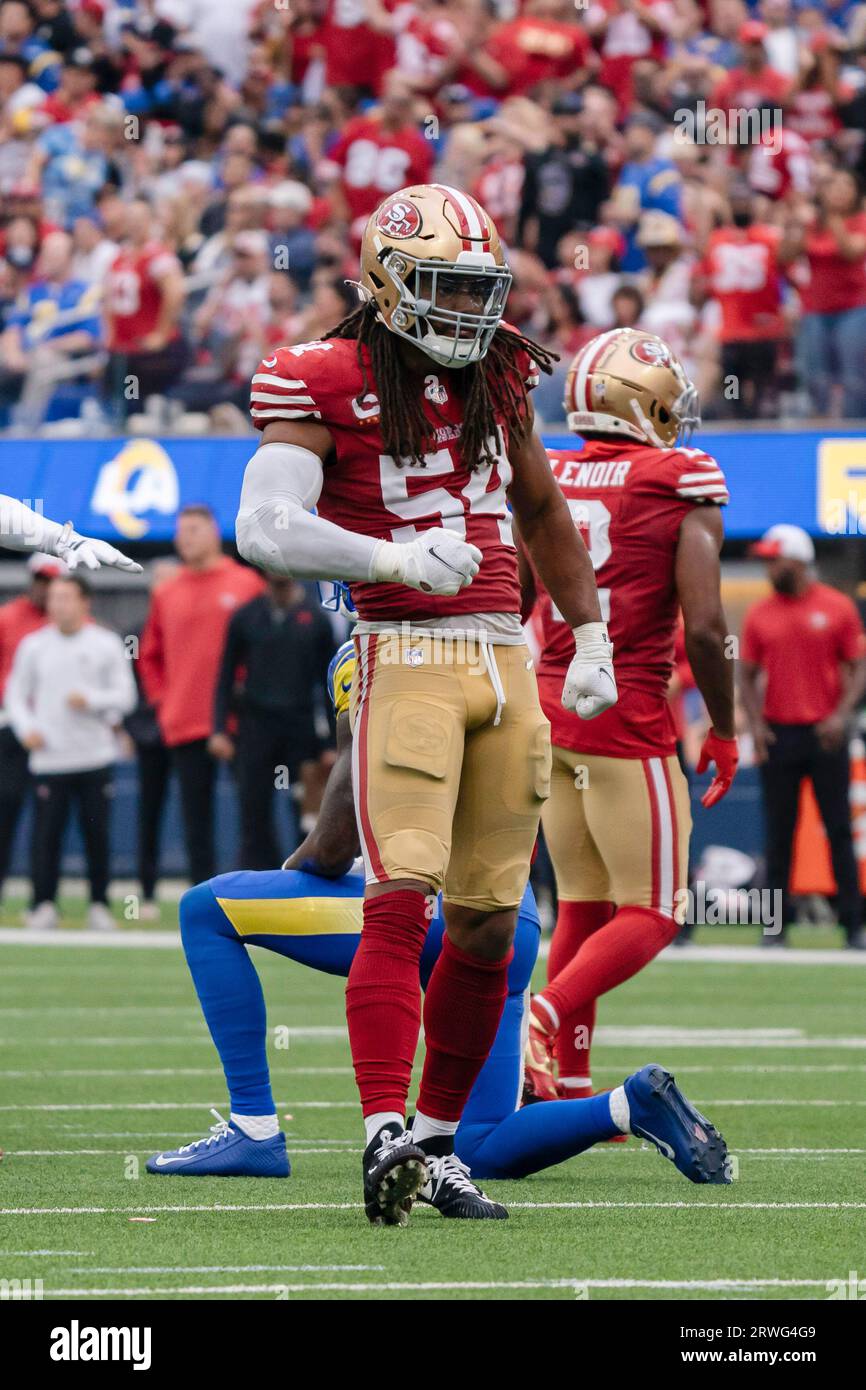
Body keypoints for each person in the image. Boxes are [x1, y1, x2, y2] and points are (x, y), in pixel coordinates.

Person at [236, 183, 617, 1225]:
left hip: (505, 658)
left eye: (476, 289)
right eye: (442, 288)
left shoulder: (496, 374)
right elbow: (263, 525)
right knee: (399, 896)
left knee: (490, 924)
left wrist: (588, 635)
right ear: (387, 282)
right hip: (404, 647)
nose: (463, 311)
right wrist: (390, 555)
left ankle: (439, 1143)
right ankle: (378, 1131)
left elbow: (538, 505)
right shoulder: (324, 375)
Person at [146, 639, 729, 1198]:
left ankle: (253, 1126)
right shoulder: (503, 670)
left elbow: (332, 847)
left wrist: (292, 866)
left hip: (427, 908)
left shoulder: (382, 662)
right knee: (476, 1143)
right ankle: (626, 1104)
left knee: (205, 910)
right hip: (509, 918)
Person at [519, 328, 738, 1102]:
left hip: (550, 709)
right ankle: (539, 1020)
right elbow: (708, 630)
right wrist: (726, 724)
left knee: (582, 899)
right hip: (627, 711)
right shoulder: (677, 477)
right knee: (655, 910)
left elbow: (519, 596)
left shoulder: (552, 473)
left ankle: (564, 1082)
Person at [740, 524, 866, 949]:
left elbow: (858, 666)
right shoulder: (760, 614)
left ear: (798, 560)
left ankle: (853, 924)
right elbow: (747, 673)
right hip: (780, 733)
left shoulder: (836, 607)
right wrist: (756, 727)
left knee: (837, 831)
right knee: (779, 834)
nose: (770, 567)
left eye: (776, 559)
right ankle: (776, 927)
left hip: (825, 734)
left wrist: (841, 715)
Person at [138, 505, 264, 885]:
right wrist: (164, 700)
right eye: (181, 531)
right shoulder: (167, 590)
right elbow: (149, 655)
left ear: (213, 533)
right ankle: (203, 901)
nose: (185, 538)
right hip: (185, 720)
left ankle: (259, 899)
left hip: (240, 720)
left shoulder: (245, 583)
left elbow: (262, 649)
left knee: (253, 813)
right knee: (196, 820)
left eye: (193, 529)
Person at [5, 573, 136, 930]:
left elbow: (126, 697)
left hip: (94, 757)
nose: (58, 605)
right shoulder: (34, 645)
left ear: (84, 602)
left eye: (66, 597)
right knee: (46, 835)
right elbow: (16, 695)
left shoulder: (106, 643)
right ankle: (43, 904)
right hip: (49, 759)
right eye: (54, 598)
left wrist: (91, 699)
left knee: (97, 835)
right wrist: (27, 728)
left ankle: (99, 904)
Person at [210, 574, 336, 870]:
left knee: (307, 816)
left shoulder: (316, 620)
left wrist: (333, 742)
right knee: (253, 815)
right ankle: (260, 885)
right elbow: (225, 676)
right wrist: (219, 729)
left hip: (302, 731)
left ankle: (306, 882)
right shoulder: (245, 616)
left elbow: (330, 684)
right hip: (255, 729)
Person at [0, 553, 60, 904]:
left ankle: (42, 899)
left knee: (47, 819)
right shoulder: (7, 618)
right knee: (5, 810)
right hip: (10, 727)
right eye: (40, 580)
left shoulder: (68, 623)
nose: (43, 588)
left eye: (50, 581)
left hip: (54, 732)